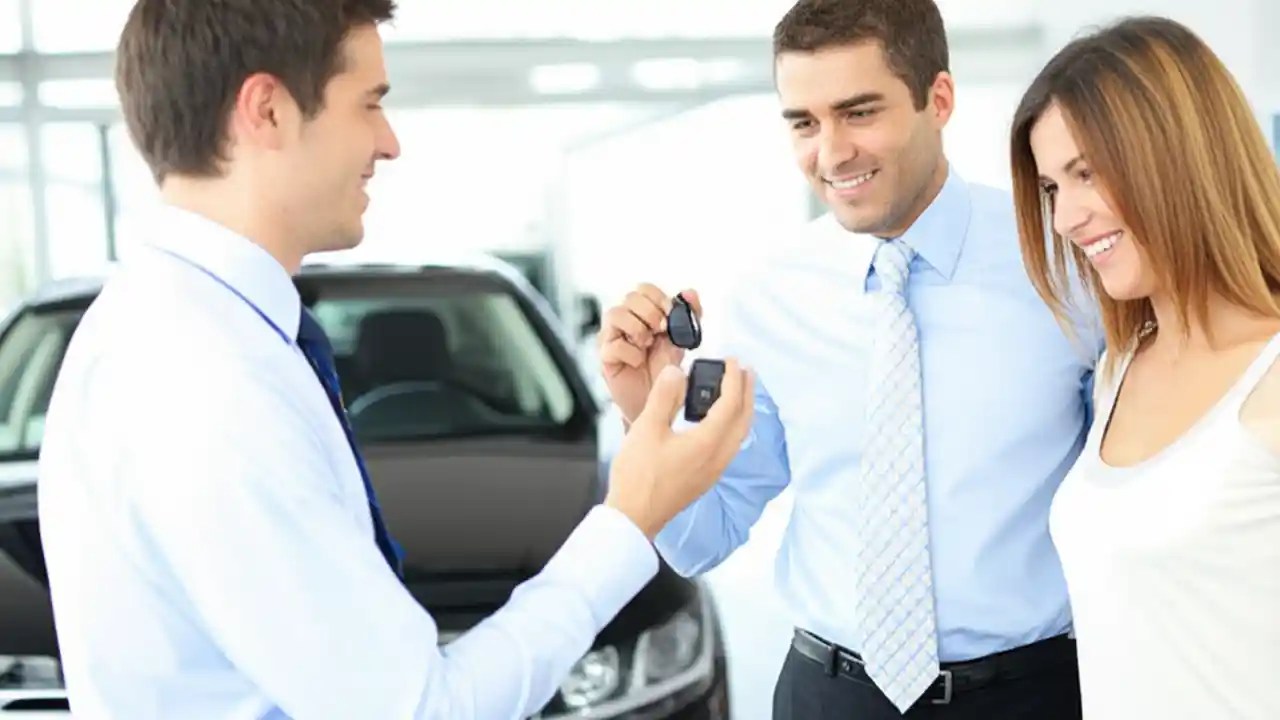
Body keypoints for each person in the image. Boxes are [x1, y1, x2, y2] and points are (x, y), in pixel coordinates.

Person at [34, 1, 756, 718]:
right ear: (268, 111)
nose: (390, 142)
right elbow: (420, 710)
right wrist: (630, 516)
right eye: (369, 103)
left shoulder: (172, 328)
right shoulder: (209, 381)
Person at [597, 0, 1102, 717]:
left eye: (859, 112)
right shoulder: (770, 297)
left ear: (938, 100)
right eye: (803, 123)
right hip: (829, 696)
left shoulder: (1067, 267)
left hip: (1033, 695)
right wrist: (646, 420)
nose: (831, 154)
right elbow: (704, 540)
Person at [1010, 15, 1280, 719]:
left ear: (1179, 156)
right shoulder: (1119, 369)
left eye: (1086, 173)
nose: (1064, 218)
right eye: (1051, 188)